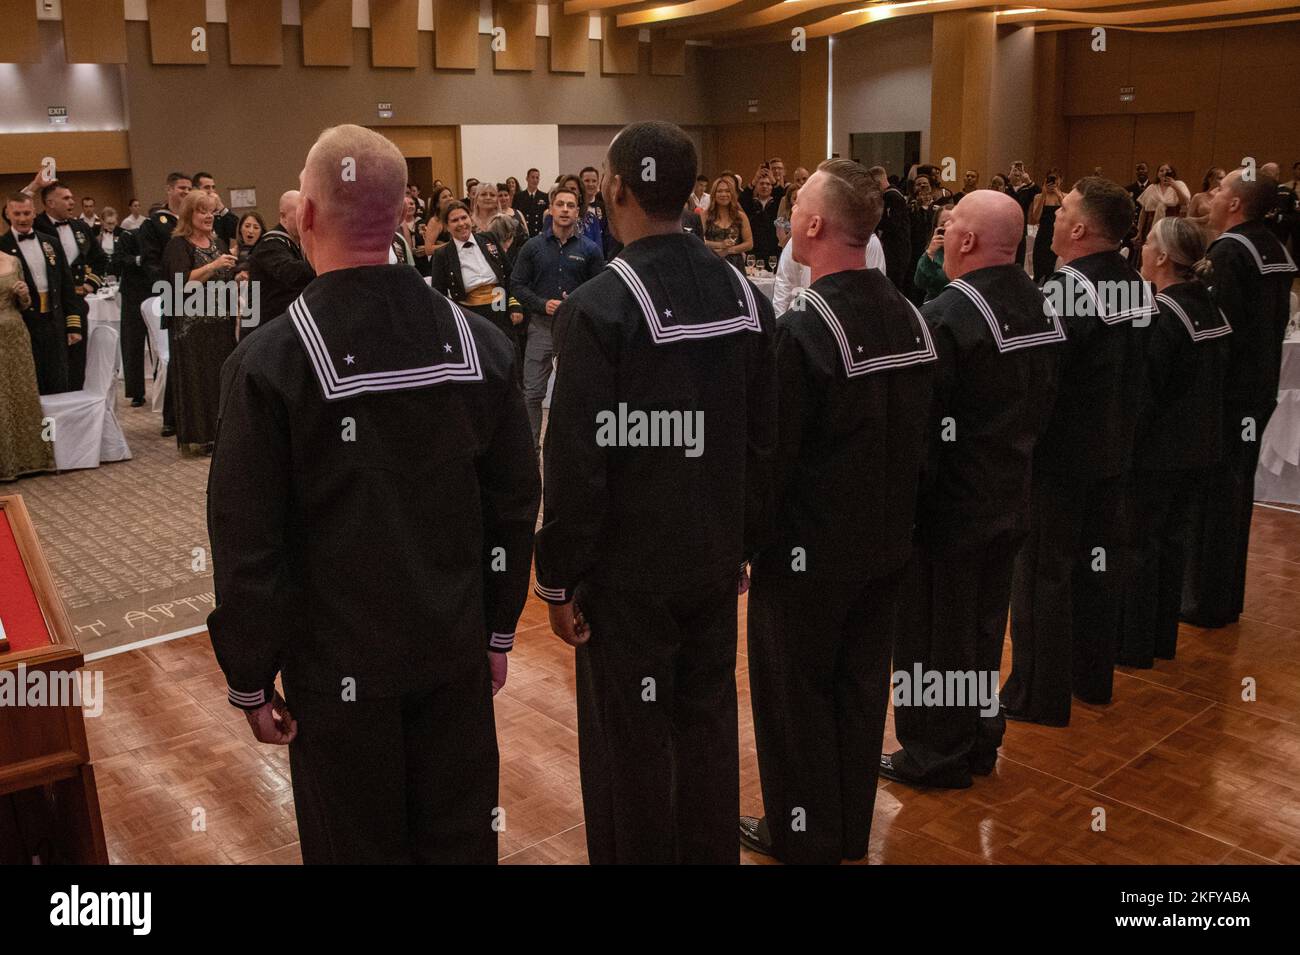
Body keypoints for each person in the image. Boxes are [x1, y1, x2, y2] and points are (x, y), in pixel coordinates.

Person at [207, 124, 539, 864]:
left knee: (357, 846)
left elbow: (246, 536)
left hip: (339, 668)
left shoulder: (267, 361)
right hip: (453, 650)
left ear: (308, 217)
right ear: (402, 218)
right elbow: (515, 500)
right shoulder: (479, 343)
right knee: (458, 841)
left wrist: (251, 674)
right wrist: (497, 625)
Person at [534, 121, 776, 865]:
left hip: (628, 573)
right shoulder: (747, 295)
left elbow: (577, 461)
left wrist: (557, 574)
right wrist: (745, 541)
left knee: (630, 743)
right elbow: (765, 440)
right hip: (713, 561)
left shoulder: (599, 306)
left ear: (612, 189)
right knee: (705, 723)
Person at [736, 159, 933, 865]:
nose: (788, 216)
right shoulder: (910, 313)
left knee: (796, 698)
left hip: (810, 551)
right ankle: (847, 827)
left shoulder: (805, 328)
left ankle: (803, 831)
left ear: (813, 226)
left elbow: (773, 458)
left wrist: (747, 543)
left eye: (796, 206)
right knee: (858, 687)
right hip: (887, 544)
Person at [882, 190, 1062, 791]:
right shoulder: (1038, 301)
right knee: (984, 627)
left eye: (950, 220)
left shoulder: (950, 314)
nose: (944, 227)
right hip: (1013, 494)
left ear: (964, 241)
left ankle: (935, 751)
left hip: (952, 508)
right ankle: (979, 734)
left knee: (934, 635)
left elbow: (922, 426)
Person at [1004, 177, 1154, 726]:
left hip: (1061, 458)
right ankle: (1092, 677)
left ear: (1081, 227)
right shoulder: (1136, 284)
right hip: (1115, 452)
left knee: (1045, 571)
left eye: (1062, 210)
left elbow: (1042, 377)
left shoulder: (1065, 288)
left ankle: (1037, 694)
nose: (1053, 218)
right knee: (1097, 567)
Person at [1182, 169, 1297, 628]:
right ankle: (1225, 596)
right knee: (1235, 493)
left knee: (1210, 496)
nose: (1211, 195)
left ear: (1235, 204)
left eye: (1220, 190)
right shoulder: (1274, 247)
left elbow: (1215, 330)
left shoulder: (1229, 252)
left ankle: (1201, 600)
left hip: (1226, 395)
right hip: (1257, 390)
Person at [1119, 217, 1230, 667]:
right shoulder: (1210, 306)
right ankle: (1161, 639)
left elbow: (1148, 392)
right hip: (1201, 448)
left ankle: (1133, 645)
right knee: (1171, 545)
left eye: (1147, 243)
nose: (1141, 248)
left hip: (1160, 453)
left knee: (1139, 547)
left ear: (1163, 257)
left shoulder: (1165, 314)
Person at [509, 184, 604, 451]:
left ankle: (570, 448)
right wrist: (542, 304)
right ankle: (531, 450)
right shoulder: (532, 247)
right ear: (550, 209)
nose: (564, 210)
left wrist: (575, 301)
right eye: (560, 204)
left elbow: (601, 287)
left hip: (575, 331)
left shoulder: (590, 250)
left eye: (570, 205)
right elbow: (516, 285)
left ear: (577, 212)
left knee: (575, 394)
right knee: (533, 393)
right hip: (541, 328)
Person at [161, 189, 239, 454]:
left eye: (211, 212)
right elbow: (181, 283)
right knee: (199, 381)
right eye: (201, 211)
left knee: (220, 378)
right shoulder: (178, 245)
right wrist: (214, 266)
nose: (208, 216)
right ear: (188, 214)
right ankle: (201, 437)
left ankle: (222, 434)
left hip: (220, 322)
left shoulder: (217, 243)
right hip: (192, 327)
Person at [0, 194, 82, 394]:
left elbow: (66, 287)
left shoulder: (51, 242)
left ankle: (56, 427)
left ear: (34, 213)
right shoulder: (2, 247)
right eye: (17, 213)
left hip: (54, 322)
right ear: (8, 214)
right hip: (22, 325)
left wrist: (73, 326)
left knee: (59, 381)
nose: (22, 218)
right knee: (31, 384)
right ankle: (37, 426)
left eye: (27, 213)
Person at [138, 171, 192, 437]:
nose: (185, 192)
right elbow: (150, 261)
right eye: (181, 187)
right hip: (170, 295)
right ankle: (172, 417)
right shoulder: (154, 224)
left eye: (189, 188)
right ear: (169, 190)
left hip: (198, 296)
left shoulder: (194, 221)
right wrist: (166, 287)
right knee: (175, 356)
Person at [36, 181, 104, 390]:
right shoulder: (36, 225)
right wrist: (34, 185)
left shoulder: (79, 227)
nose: (72, 202)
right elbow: (9, 212)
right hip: (49, 306)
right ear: (49, 202)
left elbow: (99, 259)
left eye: (71, 197)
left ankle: (76, 401)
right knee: (52, 360)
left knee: (77, 357)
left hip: (76, 301)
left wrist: (90, 285)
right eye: (65, 198)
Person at [0, 246, 56, 480]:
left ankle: (34, 460)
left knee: (24, 396)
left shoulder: (12, 261)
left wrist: (23, 294)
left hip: (16, 336)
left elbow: (25, 304)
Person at [430, 200, 515, 336]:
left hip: (499, 306)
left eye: (464, 217)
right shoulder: (442, 254)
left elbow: (510, 274)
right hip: (469, 313)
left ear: (471, 218)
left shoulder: (489, 239)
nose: (461, 223)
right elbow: (438, 294)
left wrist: (514, 305)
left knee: (506, 350)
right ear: (447, 226)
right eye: (455, 220)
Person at [772, 225, 886, 313]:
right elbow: (784, 284)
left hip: (848, 322)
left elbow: (875, 291)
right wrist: (779, 324)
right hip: (803, 314)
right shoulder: (800, 238)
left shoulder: (868, 240)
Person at [246, 190, 314, 333]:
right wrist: (322, 262)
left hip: (280, 327)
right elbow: (290, 273)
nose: (304, 217)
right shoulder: (270, 244)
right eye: (299, 212)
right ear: (283, 216)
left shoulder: (294, 244)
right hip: (263, 331)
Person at [871, 165, 911, 291]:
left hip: (896, 249)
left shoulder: (892, 197)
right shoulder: (893, 196)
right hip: (897, 247)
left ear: (877, 182)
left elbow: (894, 225)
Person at [704, 175, 753, 268]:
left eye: (727, 191)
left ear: (732, 194)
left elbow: (749, 243)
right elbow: (699, 241)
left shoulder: (741, 216)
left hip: (735, 265)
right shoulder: (705, 215)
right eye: (719, 191)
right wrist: (720, 245)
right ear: (714, 194)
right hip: (711, 262)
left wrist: (728, 251)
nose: (723, 194)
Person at [1029, 171, 1064, 283]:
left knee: (1053, 267)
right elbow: (1035, 218)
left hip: (1058, 234)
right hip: (1043, 234)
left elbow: (1068, 213)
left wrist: (1059, 195)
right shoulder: (1038, 197)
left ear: (1060, 180)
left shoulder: (1065, 196)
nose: (1052, 182)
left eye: (1055, 179)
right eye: (1050, 179)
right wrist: (1043, 195)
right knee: (1039, 265)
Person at [912, 208, 952, 303]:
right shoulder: (933, 253)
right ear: (936, 228)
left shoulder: (967, 250)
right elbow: (919, 282)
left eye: (951, 223)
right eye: (943, 225)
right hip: (937, 307)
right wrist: (930, 252)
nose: (947, 228)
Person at [741, 169, 780, 266]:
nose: (764, 186)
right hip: (754, 248)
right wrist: (753, 181)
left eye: (768, 184)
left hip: (773, 249)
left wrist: (774, 181)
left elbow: (782, 194)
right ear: (756, 186)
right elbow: (741, 199)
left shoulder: (778, 203)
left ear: (772, 187)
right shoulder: (751, 203)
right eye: (761, 183)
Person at [192, 172, 239, 247]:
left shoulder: (220, 214)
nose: (212, 191)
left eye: (213, 187)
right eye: (207, 187)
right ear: (195, 190)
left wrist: (222, 209)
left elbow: (238, 232)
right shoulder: (191, 212)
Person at [516, 167, 549, 237]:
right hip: (524, 235)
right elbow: (516, 216)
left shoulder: (544, 196)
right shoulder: (519, 196)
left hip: (539, 234)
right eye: (532, 177)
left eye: (537, 178)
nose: (535, 180)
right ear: (527, 179)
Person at [233, 212, 265, 276]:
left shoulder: (266, 252)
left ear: (261, 232)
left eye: (256, 227)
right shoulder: (233, 253)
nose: (251, 231)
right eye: (247, 226)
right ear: (240, 229)